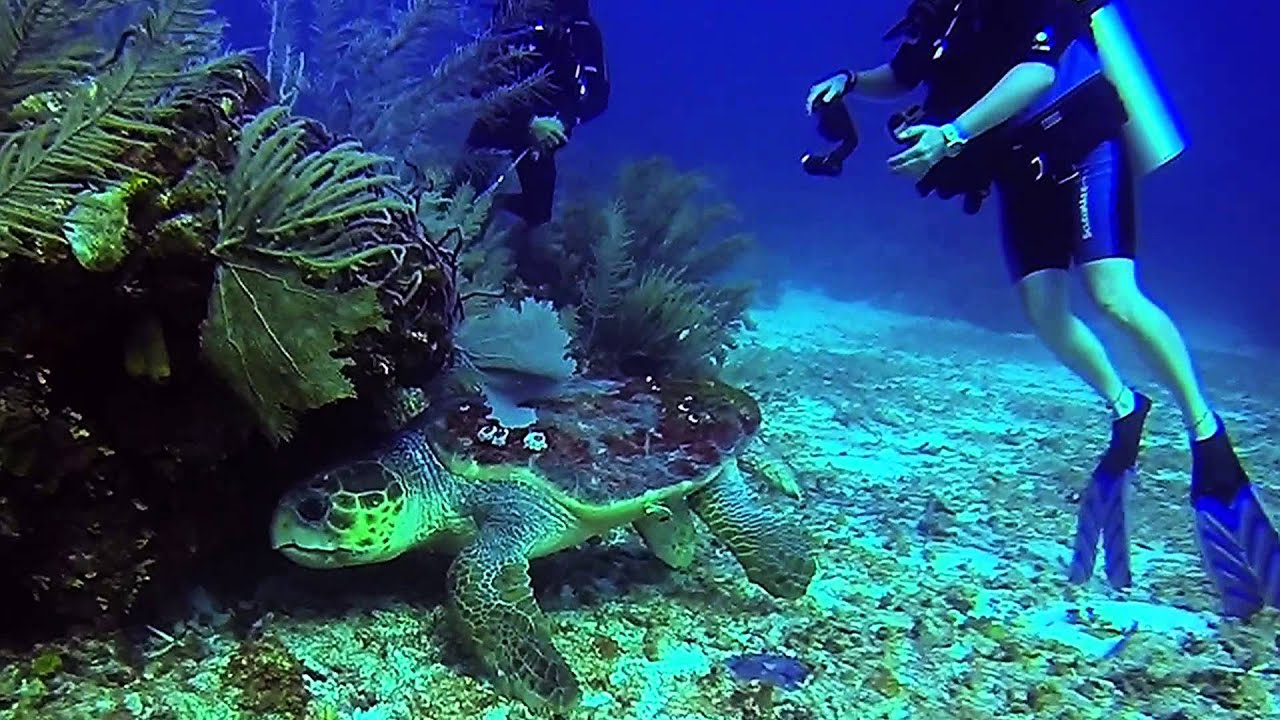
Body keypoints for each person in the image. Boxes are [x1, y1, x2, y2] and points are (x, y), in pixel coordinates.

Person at [806, 0, 1279, 618]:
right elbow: (904, 73)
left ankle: (1207, 437)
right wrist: (848, 81)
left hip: (1079, 139)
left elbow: (1038, 74)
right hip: (1018, 165)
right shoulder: (939, 13)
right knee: (1043, 312)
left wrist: (949, 136)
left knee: (1113, 295)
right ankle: (1124, 403)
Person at [462, 0, 610, 229]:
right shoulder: (513, 18)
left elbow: (597, 94)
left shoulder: (583, 29)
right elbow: (482, 84)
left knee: (538, 211)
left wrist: (562, 122)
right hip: (501, 121)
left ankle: (494, 209)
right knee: (457, 195)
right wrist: (528, 122)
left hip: (544, 135)